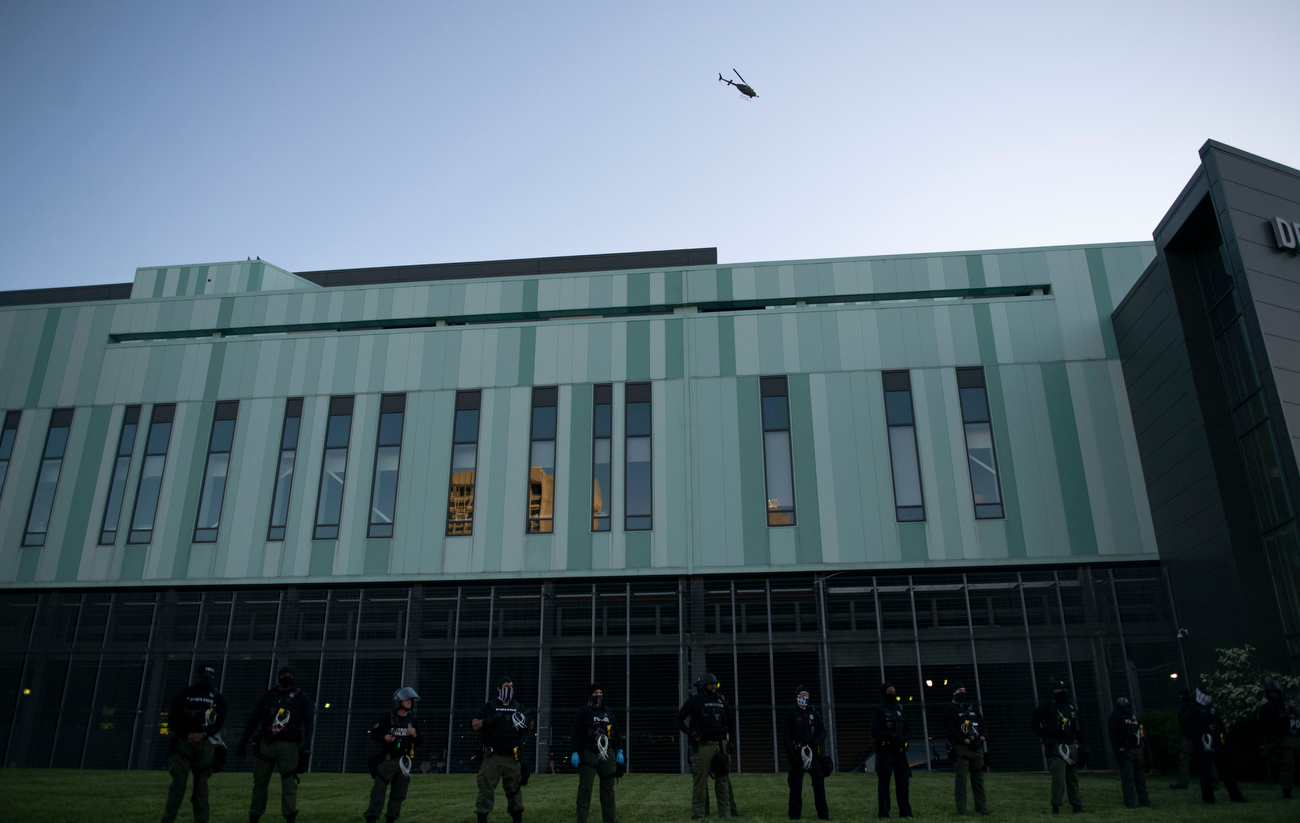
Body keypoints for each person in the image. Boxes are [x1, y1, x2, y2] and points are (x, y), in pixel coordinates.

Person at [236, 664, 315, 823]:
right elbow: (253, 720)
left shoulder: (300, 697)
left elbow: (309, 722)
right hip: (268, 743)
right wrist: (243, 741)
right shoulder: (267, 697)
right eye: (284, 674)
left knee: (288, 782)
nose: (287, 677)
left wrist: (307, 745)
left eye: (290, 675)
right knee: (260, 781)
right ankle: (255, 815)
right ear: (279, 677)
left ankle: (289, 815)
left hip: (289, 744)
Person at [160, 663, 227, 823]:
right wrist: (188, 734)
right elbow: (173, 719)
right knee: (178, 787)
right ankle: (168, 819)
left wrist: (202, 734)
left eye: (210, 674)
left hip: (204, 743)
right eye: (205, 673)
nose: (207, 676)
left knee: (201, 789)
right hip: (184, 743)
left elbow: (219, 722)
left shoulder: (216, 697)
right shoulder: (185, 694)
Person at [472, 675, 534, 823]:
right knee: (486, 790)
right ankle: (482, 818)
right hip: (492, 757)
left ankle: (517, 819)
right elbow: (474, 724)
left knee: (514, 791)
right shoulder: (490, 706)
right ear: (498, 688)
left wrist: (526, 720)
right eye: (506, 686)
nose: (509, 689)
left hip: (512, 757)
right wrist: (487, 721)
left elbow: (530, 727)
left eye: (511, 686)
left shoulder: (518, 706)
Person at [676, 671, 735, 821]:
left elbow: (731, 722)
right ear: (703, 686)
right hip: (702, 746)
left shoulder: (722, 701)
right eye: (711, 684)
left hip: (721, 745)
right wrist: (691, 733)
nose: (714, 686)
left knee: (722, 783)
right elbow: (678, 719)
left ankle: (726, 816)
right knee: (700, 784)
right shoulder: (694, 701)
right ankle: (699, 816)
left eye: (715, 684)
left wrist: (731, 741)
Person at [365, 687, 421, 823]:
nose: (410, 703)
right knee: (379, 790)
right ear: (398, 702)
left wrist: (415, 735)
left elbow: (419, 741)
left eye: (411, 700)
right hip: (388, 760)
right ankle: (372, 817)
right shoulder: (388, 718)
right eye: (407, 700)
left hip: (404, 762)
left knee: (399, 793)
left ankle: (391, 818)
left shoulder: (412, 720)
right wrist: (384, 737)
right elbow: (374, 733)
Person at [570, 683, 623, 823]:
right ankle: (581, 819)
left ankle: (610, 820)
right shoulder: (583, 712)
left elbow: (616, 732)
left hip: (608, 753)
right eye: (595, 693)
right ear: (590, 695)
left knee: (608, 790)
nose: (598, 695)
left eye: (600, 692)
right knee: (585, 789)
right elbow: (574, 733)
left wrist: (620, 751)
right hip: (589, 753)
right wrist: (575, 751)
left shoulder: (607, 712)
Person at [1030, 678, 1083, 814]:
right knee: (1058, 778)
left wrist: (1082, 745)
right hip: (1056, 746)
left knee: (1073, 778)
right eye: (1061, 689)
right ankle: (1056, 805)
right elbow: (1034, 722)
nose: (1064, 692)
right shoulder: (1048, 705)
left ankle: (1076, 804)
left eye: (1065, 689)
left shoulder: (1070, 706)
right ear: (1055, 691)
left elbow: (1077, 727)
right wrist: (1045, 738)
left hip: (1071, 744)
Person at [783, 684, 830, 820]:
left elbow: (823, 731)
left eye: (806, 695)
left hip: (813, 753)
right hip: (797, 754)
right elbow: (786, 736)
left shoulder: (814, 713)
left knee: (819, 785)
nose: (804, 697)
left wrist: (816, 743)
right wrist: (791, 755)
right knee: (796, 786)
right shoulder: (791, 714)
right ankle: (794, 816)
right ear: (797, 697)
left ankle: (823, 815)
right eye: (801, 695)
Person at [1191, 687, 1245, 804]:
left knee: (1226, 772)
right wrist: (1200, 742)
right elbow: (1191, 729)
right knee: (1206, 774)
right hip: (1205, 744)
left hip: (1217, 744)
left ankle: (1236, 797)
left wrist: (1225, 741)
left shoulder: (1212, 709)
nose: (1208, 697)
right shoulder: (1194, 709)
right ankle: (1208, 799)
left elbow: (1221, 726)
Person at [941, 682, 986, 817]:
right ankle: (962, 812)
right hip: (962, 749)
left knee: (979, 781)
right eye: (960, 690)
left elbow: (983, 725)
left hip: (976, 748)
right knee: (961, 782)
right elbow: (951, 730)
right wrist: (965, 740)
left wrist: (981, 739)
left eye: (964, 690)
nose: (963, 692)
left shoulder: (972, 708)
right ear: (954, 692)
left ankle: (982, 810)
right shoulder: (950, 709)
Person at [871, 682, 912, 819]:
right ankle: (883, 813)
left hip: (900, 751)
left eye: (893, 692)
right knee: (884, 783)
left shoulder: (900, 710)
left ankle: (905, 812)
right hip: (885, 751)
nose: (893, 694)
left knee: (903, 783)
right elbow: (875, 732)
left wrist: (903, 738)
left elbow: (908, 730)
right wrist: (892, 736)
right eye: (890, 692)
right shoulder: (879, 711)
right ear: (884, 694)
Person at [1169, 687, 1216, 791]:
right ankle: (1213, 782)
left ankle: (1184, 782)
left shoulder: (1191, 708)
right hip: (1195, 737)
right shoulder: (1192, 706)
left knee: (1197, 758)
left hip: (1195, 737)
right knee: (1203, 758)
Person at [1107, 696, 1150, 809]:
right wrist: (1118, 753)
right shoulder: (1116, 717)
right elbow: (1114, 737)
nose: (1124, 702)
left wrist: (1145, 751)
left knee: (1140, 779)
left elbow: (1142, 734)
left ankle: (1144, 801)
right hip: (1126, 751)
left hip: (1137, 749)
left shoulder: (1133, 717)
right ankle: (1130, 803)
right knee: (1128, 779)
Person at [1260, 678, 1298, 799]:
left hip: (1293, 738)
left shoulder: (1287, 707)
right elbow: (1266, 728)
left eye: (1275, 692)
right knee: (1287, 763)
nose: (1273, 695)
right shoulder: (1266, 709)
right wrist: (1274, 741)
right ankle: (1287, 791)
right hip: (1279, 740)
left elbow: (1296, 720)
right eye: (1271, 692)